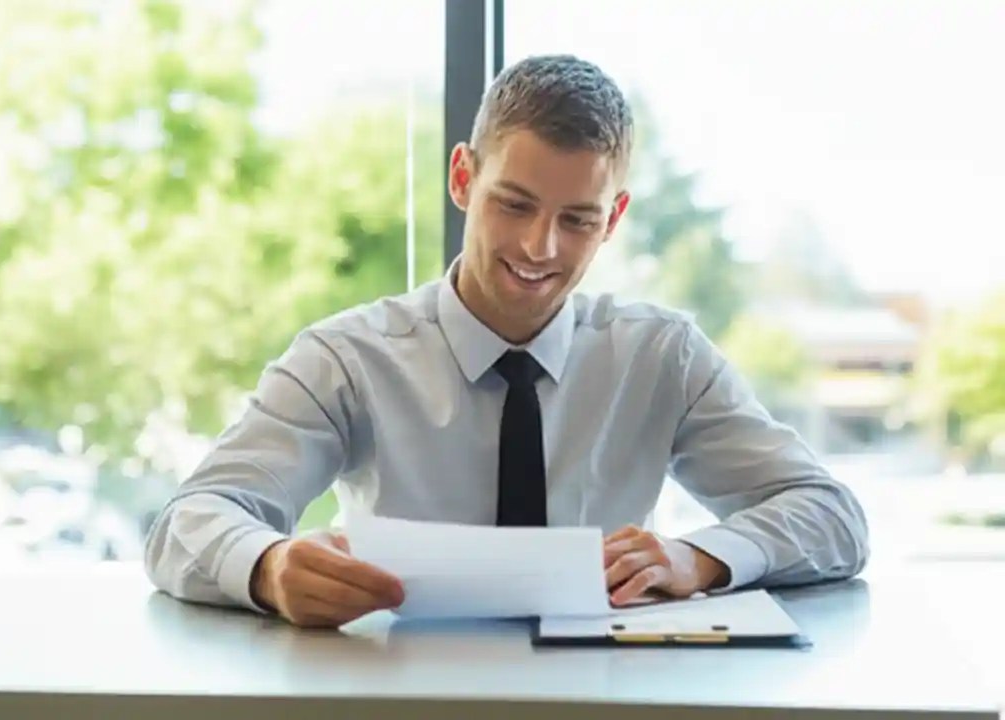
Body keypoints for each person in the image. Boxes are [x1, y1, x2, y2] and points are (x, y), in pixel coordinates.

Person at [145, 54, 869, 628]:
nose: (539, 246)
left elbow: (832, 516)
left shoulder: (662, 358)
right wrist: (269, 567)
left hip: (610, 702)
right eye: (513, 204)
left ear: (613, 218)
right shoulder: (346, 360)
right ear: (464, 177)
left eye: (577, 220)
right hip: (396, 700)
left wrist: (700, 558)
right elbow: (190, 519)